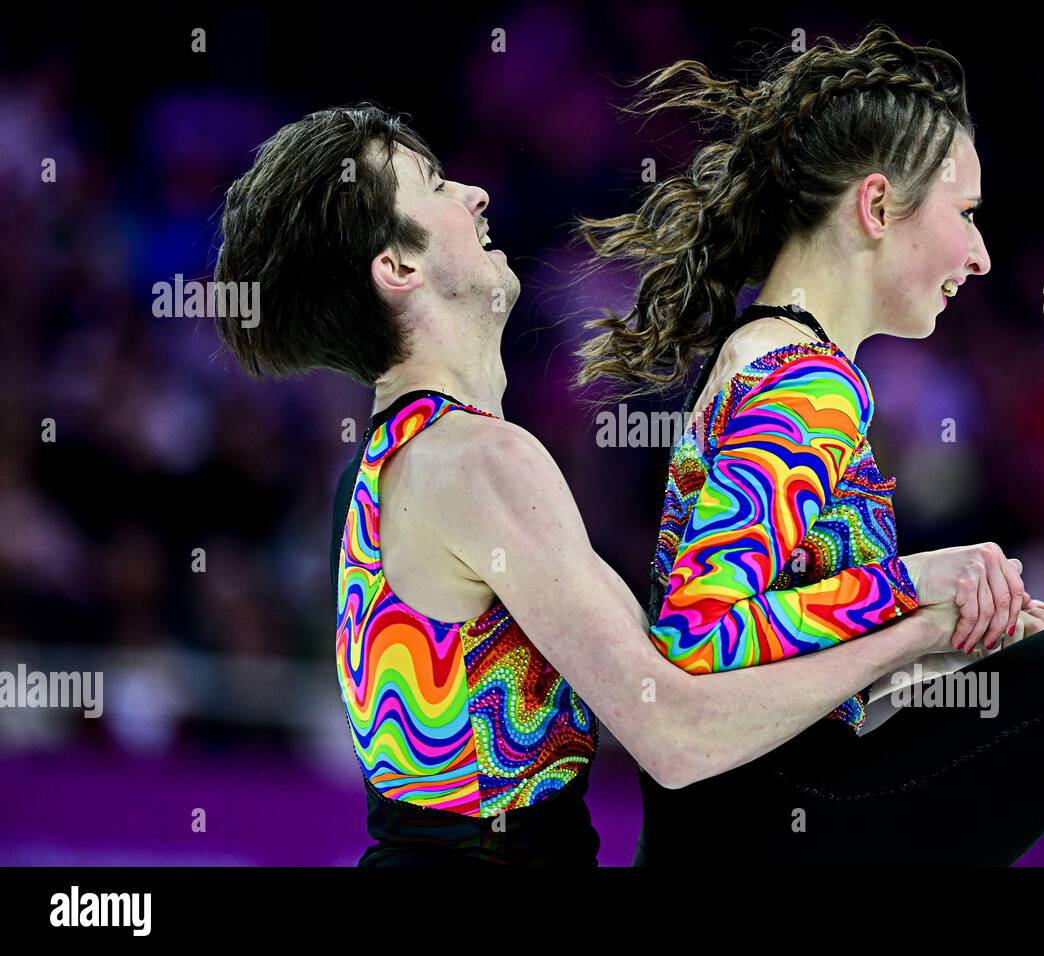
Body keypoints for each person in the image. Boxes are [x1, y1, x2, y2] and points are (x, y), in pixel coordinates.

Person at [210, 102, 982, 865]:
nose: (474, 195)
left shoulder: (387, 465)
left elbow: (691, 669)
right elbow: (674, 732)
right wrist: (915, 614)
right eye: (437, 185)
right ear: (399, 266)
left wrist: (918, 640)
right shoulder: (477, 461)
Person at [573, 26, 1044, 865]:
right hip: (783, 820)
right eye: (966, 215)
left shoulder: (766, 356)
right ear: (875, 207)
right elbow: (699, 630)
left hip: (750, 817)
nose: (978, 257)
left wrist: (934, 641)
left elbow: (777, 649)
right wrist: (908, 588)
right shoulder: (804, 381)